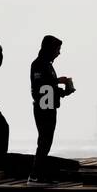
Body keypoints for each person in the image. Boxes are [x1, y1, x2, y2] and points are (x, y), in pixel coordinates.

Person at [29, 35, 75, 183]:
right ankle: (35, 175)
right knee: (43, 141)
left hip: (50, 106)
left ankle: (40, 173)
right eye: (57, 49)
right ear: (50, 49)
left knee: (46, 142)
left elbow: (50, 89)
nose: (59, 53)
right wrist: (57, 81)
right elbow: (40, 87)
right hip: (43, 108)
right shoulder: (38, 64)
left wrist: (63, 92)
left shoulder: (48, 65)